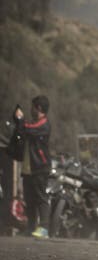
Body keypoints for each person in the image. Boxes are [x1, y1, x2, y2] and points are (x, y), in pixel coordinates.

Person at [7, 96, 52, 238]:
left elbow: (29, 129)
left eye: (32, 107)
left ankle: (44, 228)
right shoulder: (33, 123)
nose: (30, 110)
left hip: (40, 167)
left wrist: (20, 120)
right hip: (28, 168)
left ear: (38, 108)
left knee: (40, 197)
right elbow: (23, 131)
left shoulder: (44, 124)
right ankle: (31, 227)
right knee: (29, 199)